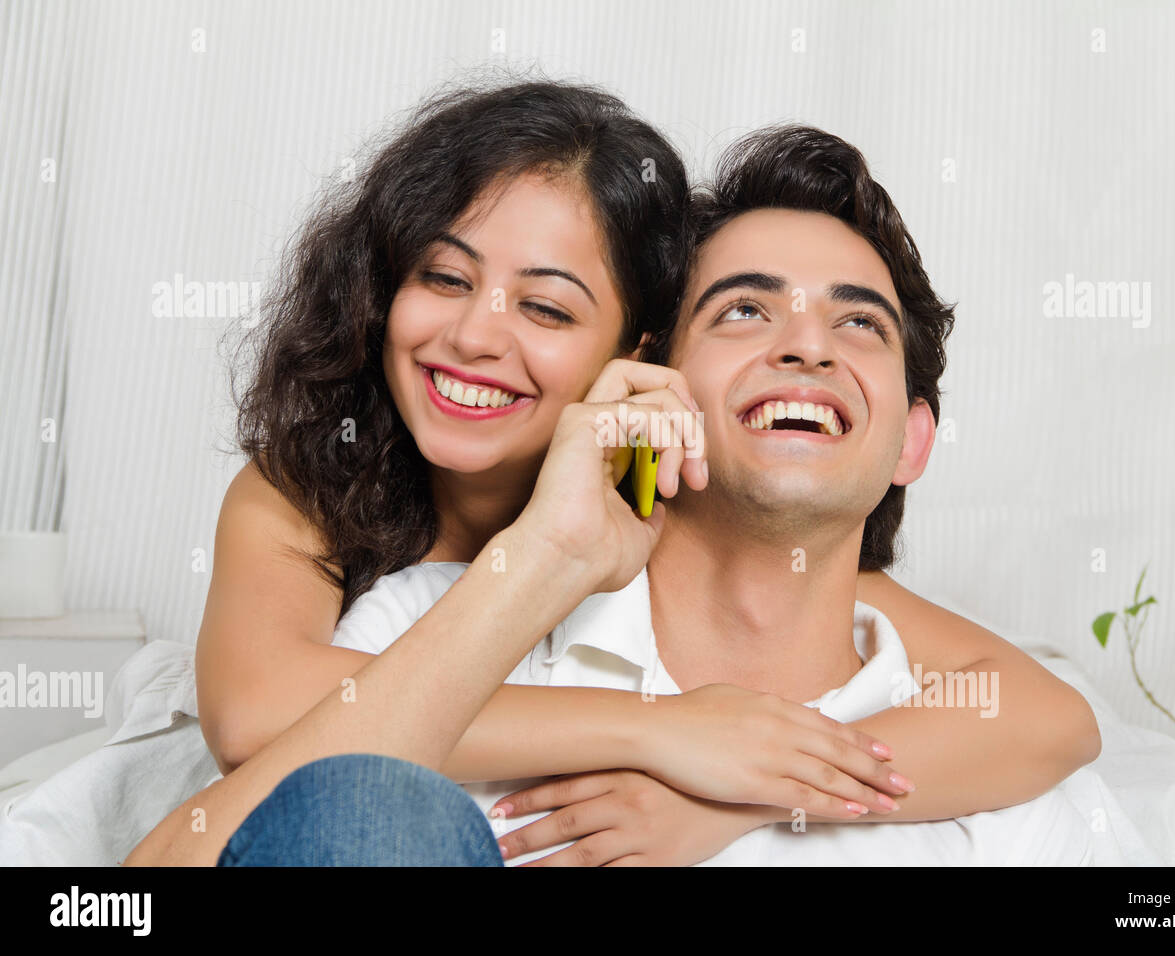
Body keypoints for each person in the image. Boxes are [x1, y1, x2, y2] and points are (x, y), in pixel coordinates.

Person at [125, 98, 1097, 867]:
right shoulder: (320, 501)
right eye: (445, 278)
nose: (478, 336)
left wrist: (742, 793)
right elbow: (257, 725)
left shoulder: (764, 566)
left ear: (623, 362)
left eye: (547, 304)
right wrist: (654, 728)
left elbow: (1052, 713)